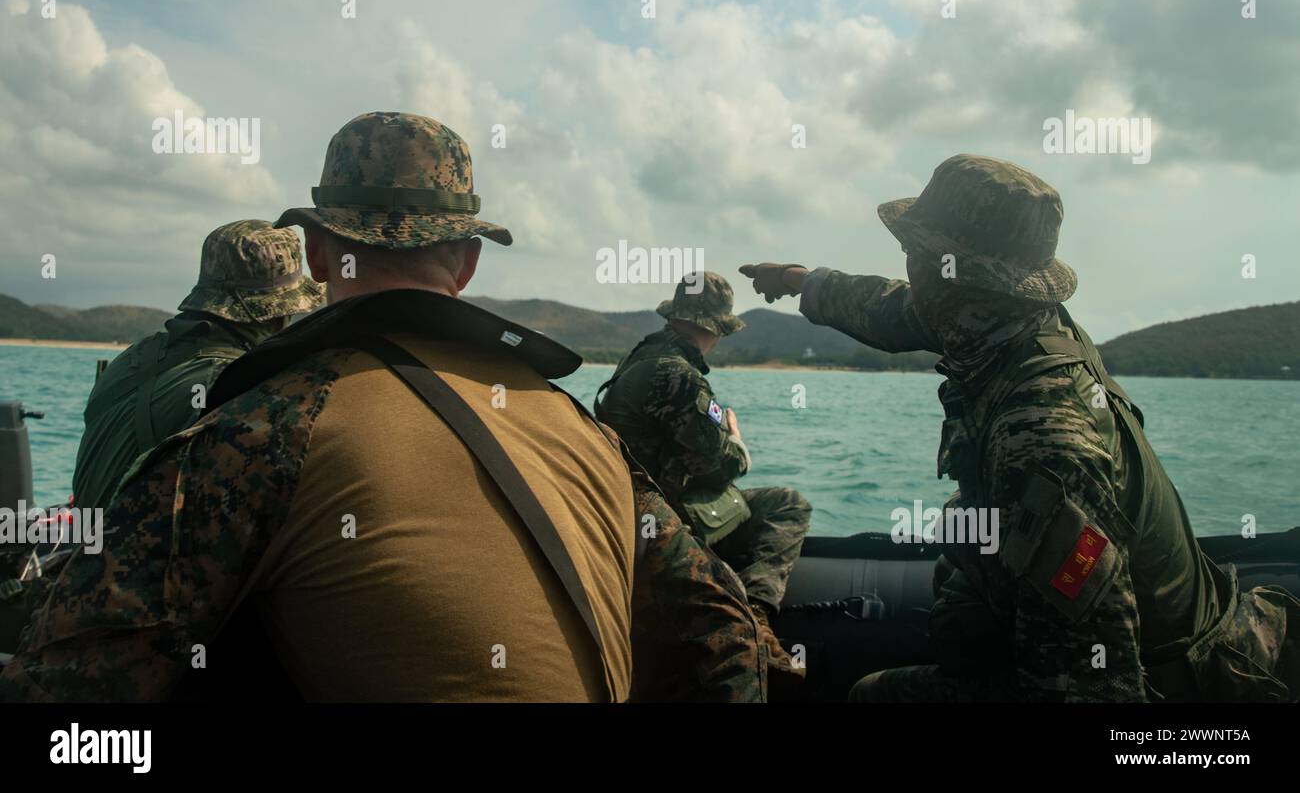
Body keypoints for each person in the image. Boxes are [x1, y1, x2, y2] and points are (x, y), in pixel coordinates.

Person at [0, 112, 763, 703]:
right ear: (467, 263)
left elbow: (65, 692)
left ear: (319, 253)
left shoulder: (261, 430)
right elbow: (726, 626)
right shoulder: (581, 429)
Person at [741, 154, 1300, 701]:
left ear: (948, 272)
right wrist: (799, 280)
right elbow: (893, 309)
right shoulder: (1007, 317)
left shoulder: (1044, 440)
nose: (907, 265)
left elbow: (1089, 688)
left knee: (871, 695)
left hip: (1165, 687)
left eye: (912, 251)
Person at [595, 271, 811, 683]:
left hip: (637, 503)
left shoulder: (642, 356)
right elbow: (717, 464)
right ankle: (757, 616)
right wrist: (738, 444)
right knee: (788, 505)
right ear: (715, 329)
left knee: (780, 503)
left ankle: (756, 614)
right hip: (663, 515)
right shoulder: (678, 374)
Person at [70, 220, 323, 512]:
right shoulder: (236, 382)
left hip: (87, 536)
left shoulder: (131, 358)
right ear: (276, 314)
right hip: (142, 539)